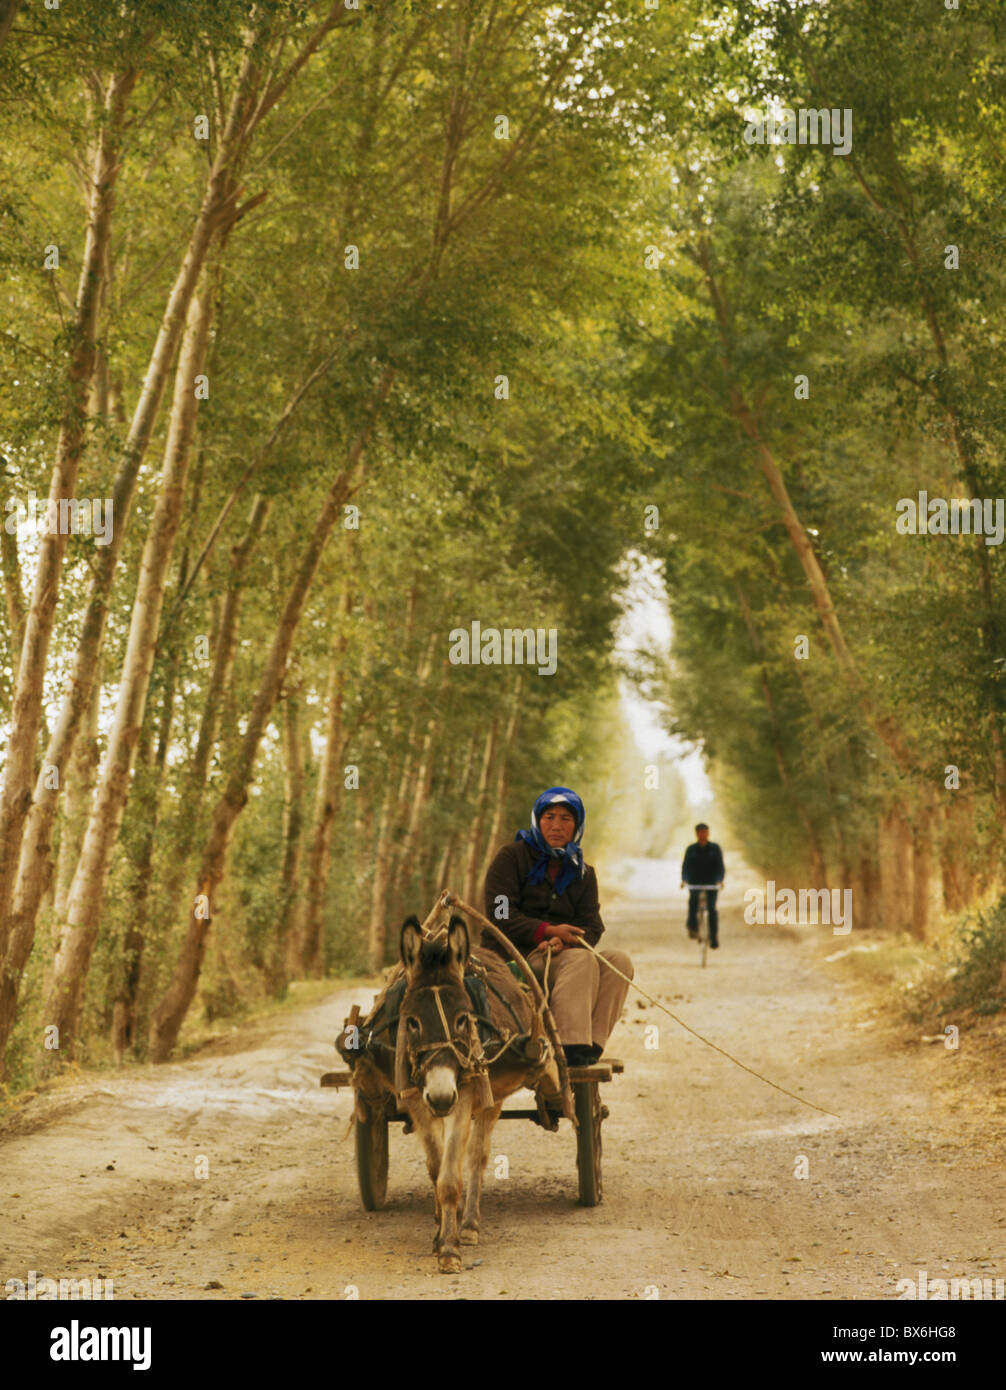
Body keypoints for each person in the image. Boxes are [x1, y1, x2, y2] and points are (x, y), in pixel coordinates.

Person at [482, 786, 632, 1068]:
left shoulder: (583, 873)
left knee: (618, 962)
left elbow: (592, 924)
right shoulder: (510, 858)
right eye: (549, 816)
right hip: (514, 959)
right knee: (581, 959)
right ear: (537, 821)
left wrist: (567, 941)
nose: (556, 825)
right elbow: (500, 914)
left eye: (566, 818)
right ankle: (568, 1049)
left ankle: (591, 1047)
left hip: (563, 958)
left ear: (577, 826)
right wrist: (547, 932)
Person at [681, 822, 725, 949]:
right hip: (695, 883)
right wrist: (684, 880)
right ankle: (692, 926)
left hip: (711, 884)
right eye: (700, 832)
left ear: (708, 833)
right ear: (696, 834)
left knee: (712, 909)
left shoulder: (715, 848)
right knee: (693, 902)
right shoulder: (691, 849)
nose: (703, 835)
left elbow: (720, 867)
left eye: (705, 832)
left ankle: (713, 937)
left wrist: (720, 880)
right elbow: (685, 867)